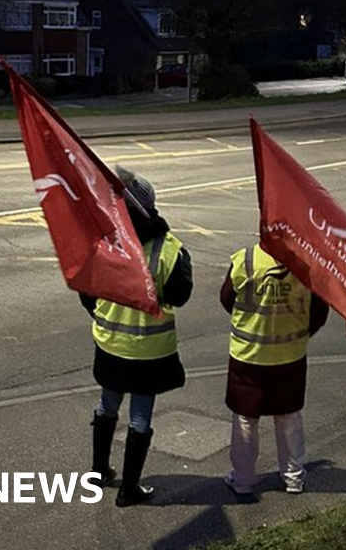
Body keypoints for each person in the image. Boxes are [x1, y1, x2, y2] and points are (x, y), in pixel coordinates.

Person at [81, 166, 193, 507]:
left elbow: (87, 293)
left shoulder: (105, 244)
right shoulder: (169, 250)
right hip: (149, 351)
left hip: (111, 345)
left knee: (106, 406)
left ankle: (99, 472)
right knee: (140, 418)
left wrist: (106, 315)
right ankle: (129, 490)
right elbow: (180, 295)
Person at [220, 243, 328, 495]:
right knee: (288, 416)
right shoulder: (305, 263)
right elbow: (320, 310)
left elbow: (227, 299)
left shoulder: (245, 259)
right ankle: (293, 477)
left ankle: (243, 479)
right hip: (289, 354)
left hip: (248, 354)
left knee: (246, 418)